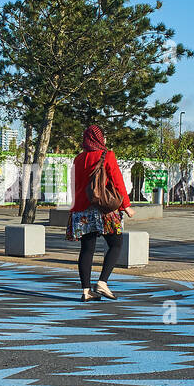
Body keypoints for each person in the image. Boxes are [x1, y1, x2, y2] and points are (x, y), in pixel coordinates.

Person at [66, 124, 133, 302]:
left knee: (87, 249)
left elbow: (75, 185)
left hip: (81, 211)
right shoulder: (107, 155)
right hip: (103, 209)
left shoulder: (78, 159)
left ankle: (86, 291)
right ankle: (102, 282)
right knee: (116, 244)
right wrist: (126, 205)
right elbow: (117, 182)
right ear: (100, 138)